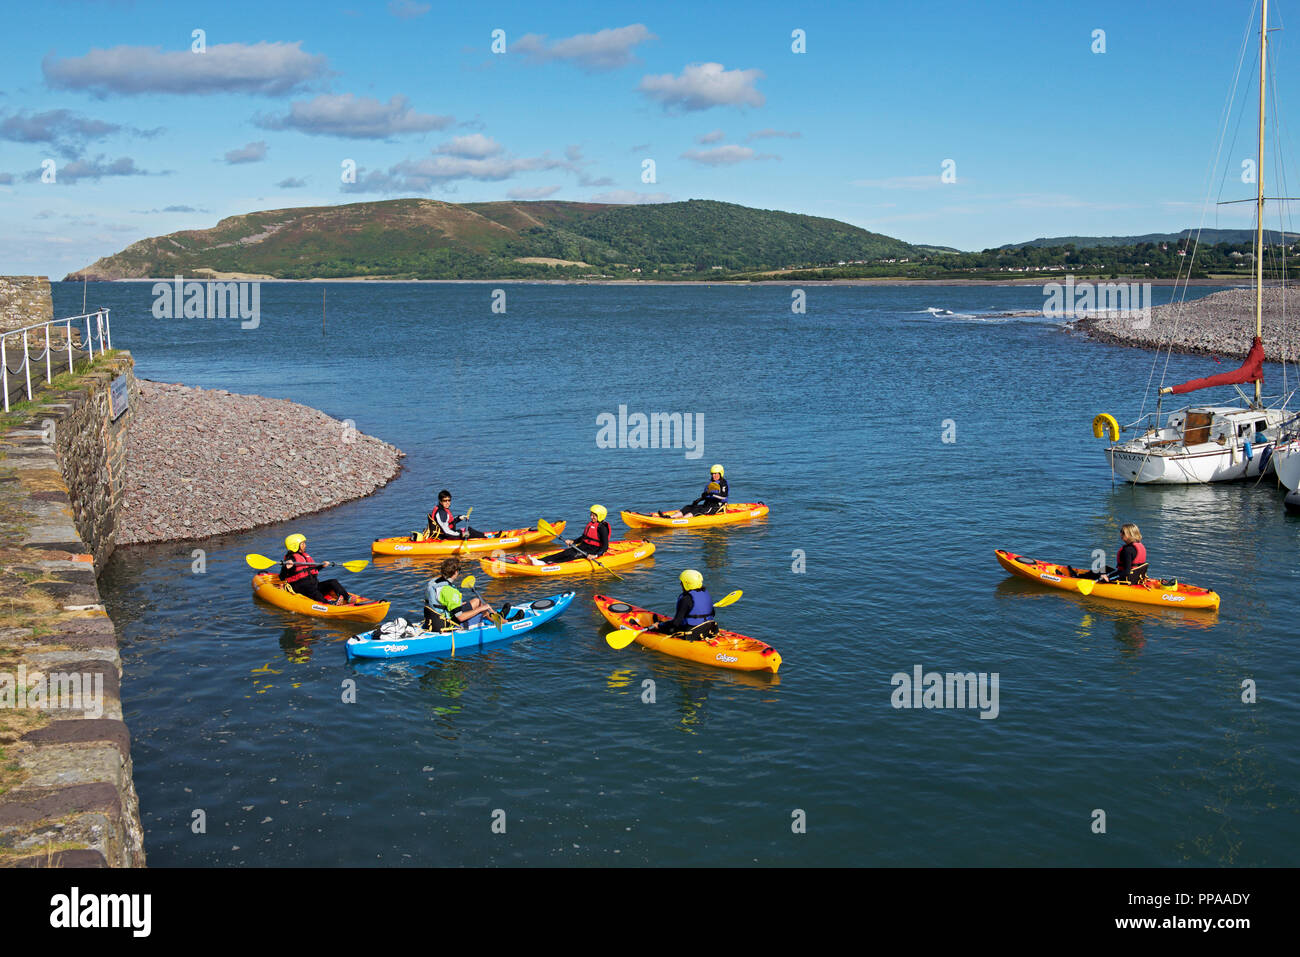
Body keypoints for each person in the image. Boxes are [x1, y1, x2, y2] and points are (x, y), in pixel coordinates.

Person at [521, 505, 610, 565]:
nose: (591, 517)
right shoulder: (591, 524)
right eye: (591, 515)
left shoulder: (602, 528)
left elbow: (605, 546)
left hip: (594, 550)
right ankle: (540, 561)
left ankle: (546, 564)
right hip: (584, 546)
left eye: (594, 515)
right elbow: (584, 537)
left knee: (571, 556)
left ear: (600, 516)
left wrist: (595, 555)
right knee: (566, 552)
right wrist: (573, 541)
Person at [280, 534, 351, 604]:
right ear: (295, 545)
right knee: (312, 590)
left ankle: (347, 598)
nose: (305, 545)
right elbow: (282, 577)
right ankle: (329, 604)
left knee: (333, 582)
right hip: (302, 590)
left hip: (314, 585)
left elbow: (310, 570)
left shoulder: (304, 556)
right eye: (302, 544)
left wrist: (321, 566)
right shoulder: (290, 559)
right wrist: (285, 568)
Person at [424, 558, 495, 629]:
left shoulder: (433, 583)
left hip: (433, 620)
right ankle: (500, 623)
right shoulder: (450, 591)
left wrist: (459, 605)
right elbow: (460, 617)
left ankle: (496, 618)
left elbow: (438, 602)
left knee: (477, 601)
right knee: (482, 608)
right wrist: (480, 609)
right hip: (445, 623)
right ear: (456, 572)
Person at [649, 569, 718, 640]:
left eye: (681, 582)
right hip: (709, 629)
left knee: (669, 629)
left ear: (687, 584)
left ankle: (656, 626)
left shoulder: (686, 599)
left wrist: (660, 626)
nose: (680, 584)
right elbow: (712, 613)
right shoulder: (705, 593)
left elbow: (676, 623)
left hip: (692, 633)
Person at [659, 465, 729, 518]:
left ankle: (681, 520)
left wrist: (711, 494)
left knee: (697, 511)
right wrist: (698, 500)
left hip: (716, 507)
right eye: (712, 474)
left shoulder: (723, 483)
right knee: (689, 507)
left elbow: (723, 497)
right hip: (707, 504)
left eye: (716, 473)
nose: (714, 475)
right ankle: (671, 517)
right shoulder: (711, 482)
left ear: (720, 473)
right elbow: (706, 495)